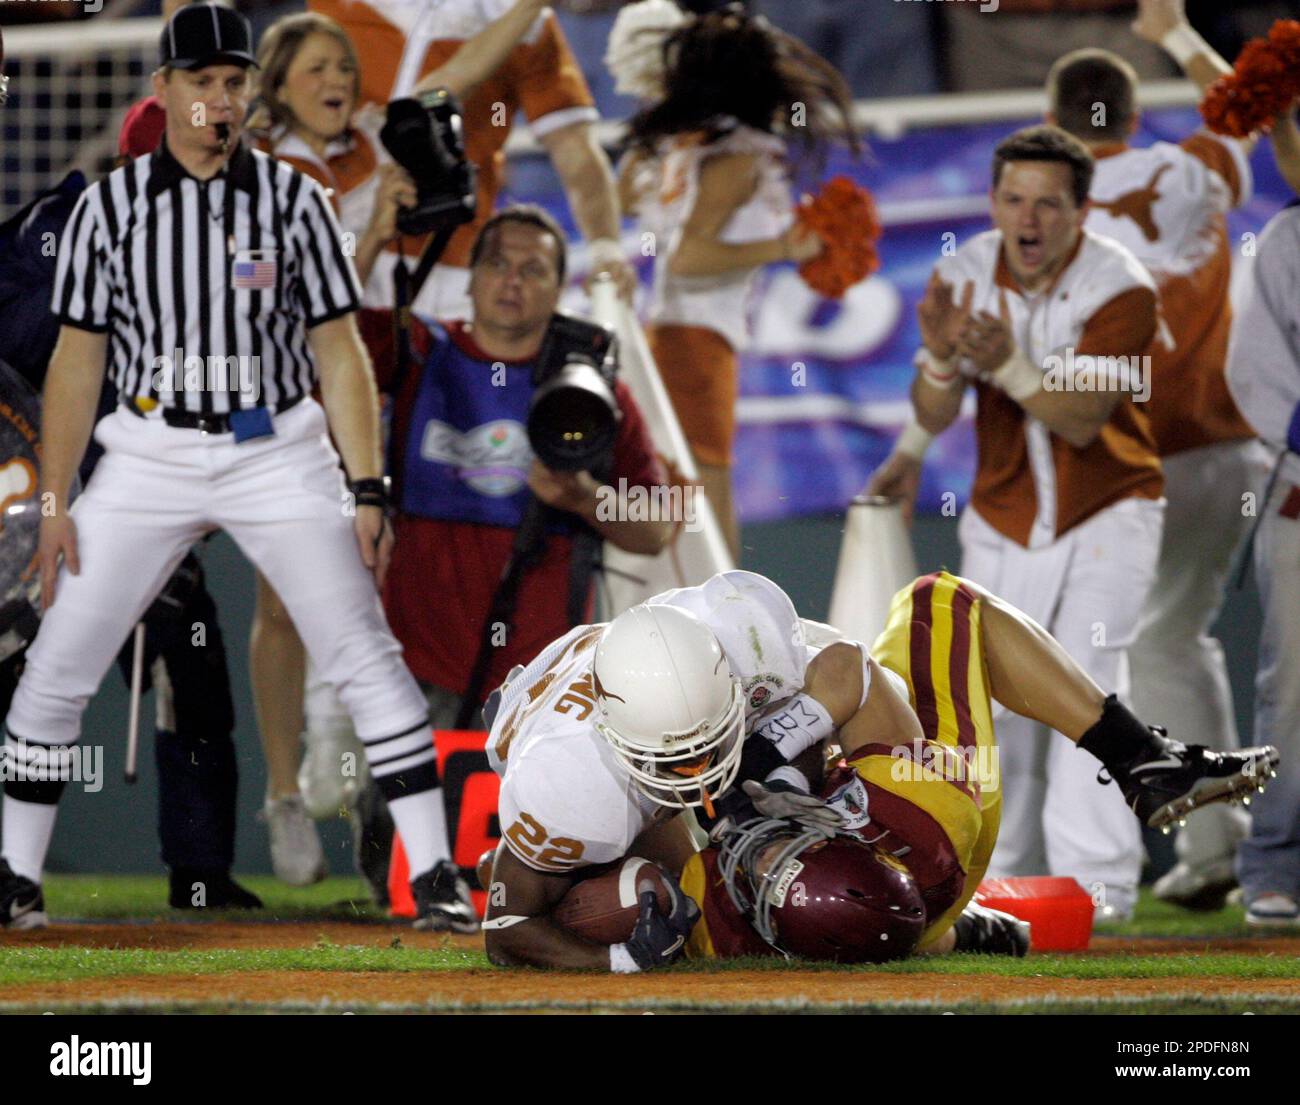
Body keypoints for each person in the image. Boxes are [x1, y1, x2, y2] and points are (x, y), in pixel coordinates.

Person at [0, 5, 473, 933]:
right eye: (200, 81)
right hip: (146, 450)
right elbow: (75, 363)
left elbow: (340, 352)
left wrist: (367, 486)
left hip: (274, 446)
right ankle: (16, 876)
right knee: (59, 663)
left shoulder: (296, 201)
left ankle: (441, 872)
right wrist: (57, 498)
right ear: (163, 91)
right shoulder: (109, 207)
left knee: (364, 653)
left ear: (249, 92)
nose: (218, 99)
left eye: (232, 81)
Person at [476, 568, 1276, 970]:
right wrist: (620, 950)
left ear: (729, 682)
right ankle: (1138, 756)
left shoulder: (734, 631)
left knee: (669, 890)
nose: (693, 769)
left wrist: (772, 752)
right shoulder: (570, 779)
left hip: (869, 849)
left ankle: (936, 923)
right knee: (939, 601)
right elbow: (508, 923)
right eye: (670, 762)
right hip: (920, 830)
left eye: (707, 741)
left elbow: (857, 680)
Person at [238, 0, 556, 890]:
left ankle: (367, 763)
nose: (340, 81)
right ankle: (286, 789)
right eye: (317, 71)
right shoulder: (260, 169)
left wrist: (531, 7)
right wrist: (380, 219)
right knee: (282, 600)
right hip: (284, 397)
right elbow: (303, 291)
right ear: (279, 90)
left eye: (347, 67)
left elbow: (459, 74)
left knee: (381, 574)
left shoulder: (378, 138)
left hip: (371, 389)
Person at [865, 125, 1166, 922]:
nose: (1026, 220)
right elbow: (937, 399)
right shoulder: (963, 273)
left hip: (1112, 507)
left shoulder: (1121, 285)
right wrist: (931, 382)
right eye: (1012, 200)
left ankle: (1099, 891)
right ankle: (996, 881)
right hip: (1002, 513)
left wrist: (1004, 363)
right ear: (994, 202)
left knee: (1093, 683)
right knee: (982, 704)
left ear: (1081, 210)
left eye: (1046, 204)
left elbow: (1081, 416)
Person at [333, 204, 672, 900]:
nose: (512, 281)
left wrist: (583, 498)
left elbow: (657, 520)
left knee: (537, 873)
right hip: (414, 660)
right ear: (471, 276)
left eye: (534, 269)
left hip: (540, 680)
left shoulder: (594, 388)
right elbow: (330, 338)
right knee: (392, 875)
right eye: (497, 263)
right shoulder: (420, 353)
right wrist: (371, 236)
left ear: (558, 287)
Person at [1035, 2, 1272, 911]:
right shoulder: (1202, 165)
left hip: (1117, 456)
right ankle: (1216, 839)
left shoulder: (1051, 207)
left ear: (1060, 119)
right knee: (1175, 636)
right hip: (1220, 446)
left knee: (1083, 650)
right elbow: (1247, 108)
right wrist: (1174, 30)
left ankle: (1083, 862)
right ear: (1133, 113)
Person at [0, 171, 261, 912]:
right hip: (35, 525)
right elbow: (16, 336)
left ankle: (201, 872)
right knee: (23, 687)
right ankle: (13, 877)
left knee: (196, 674)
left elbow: (249, 397)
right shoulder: (45, 233)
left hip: (150, 525)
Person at [612, 5, 853, 557]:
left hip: (679, 336)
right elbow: (690, 256)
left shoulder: (690, 145)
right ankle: (722, 616)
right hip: (695, 343)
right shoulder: (736, 155)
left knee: (682, 490)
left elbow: (624, 195)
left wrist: (660, 116)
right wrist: (782, 247)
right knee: (707, 494)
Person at [308, 0, 637, 319]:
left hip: (454, 255)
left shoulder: (526, 22)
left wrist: (604, 246)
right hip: (339, 239)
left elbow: (574, 148)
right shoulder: (331, 8)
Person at [1225, 191, 1300, 927]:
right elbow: (1254, 372)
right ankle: (1275, 861)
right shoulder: (1287, 237)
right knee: (1294, 682)